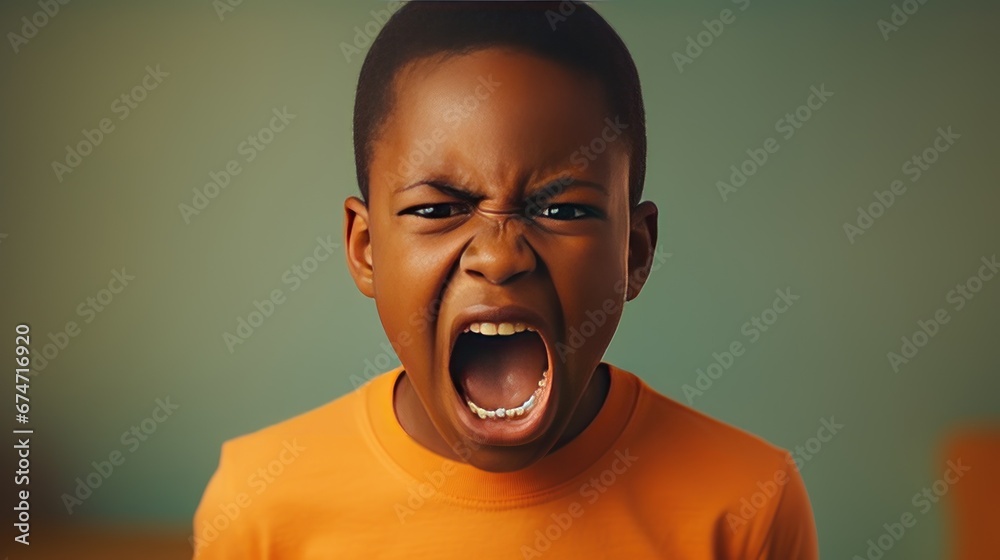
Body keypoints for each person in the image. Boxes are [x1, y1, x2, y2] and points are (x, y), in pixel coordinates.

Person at [192, 2, 819, 557]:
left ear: (634, 250)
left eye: (564, 210)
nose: (499, 258)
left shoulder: (748, 504)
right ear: (365, 249)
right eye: (437, 210)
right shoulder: (259, 504)